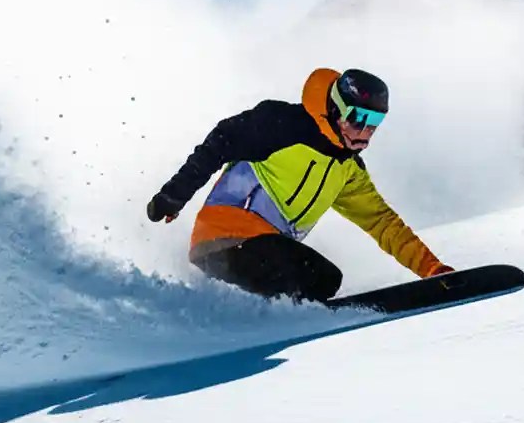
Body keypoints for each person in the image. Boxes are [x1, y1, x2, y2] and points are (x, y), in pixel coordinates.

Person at [146, 67, 452, 306]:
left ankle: (251, 319)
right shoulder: (284, 125)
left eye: (375, 122)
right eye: (358, 118)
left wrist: (432, 270)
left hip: (261, 254)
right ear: (335, 109)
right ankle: (269, 317)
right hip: (222, 240)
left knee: (318, 278)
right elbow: (220, 141)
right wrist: (174, 195)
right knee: (319, 278)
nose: (365, 132)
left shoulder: (347, 171)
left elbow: (383, 224)